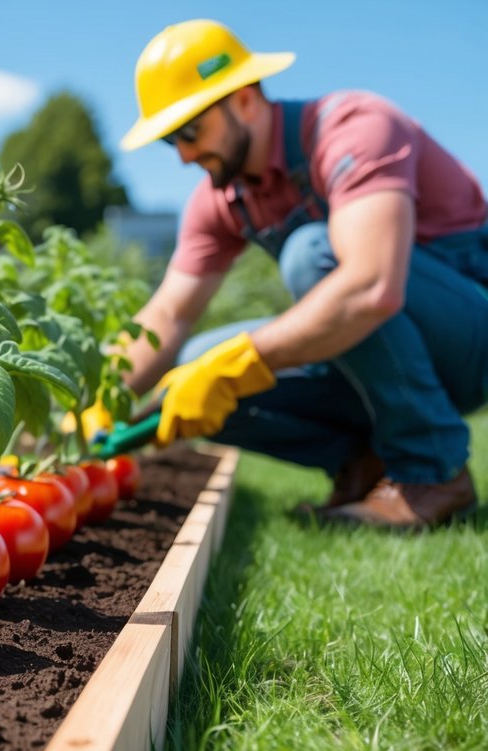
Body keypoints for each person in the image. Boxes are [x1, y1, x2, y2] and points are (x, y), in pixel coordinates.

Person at [98, 18, 488, 529]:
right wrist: (99, 398)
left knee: (311, 256)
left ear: (244, 98)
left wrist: (238, 365)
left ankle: (433, 473)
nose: (186, 155)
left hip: (468, 337)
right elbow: (169, 315)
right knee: (194, 363)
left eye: (191, 131)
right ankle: (364, 465)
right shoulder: (223, 198)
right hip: (378, 353)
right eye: (171, 141)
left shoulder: (353, 127)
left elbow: (372, 285)